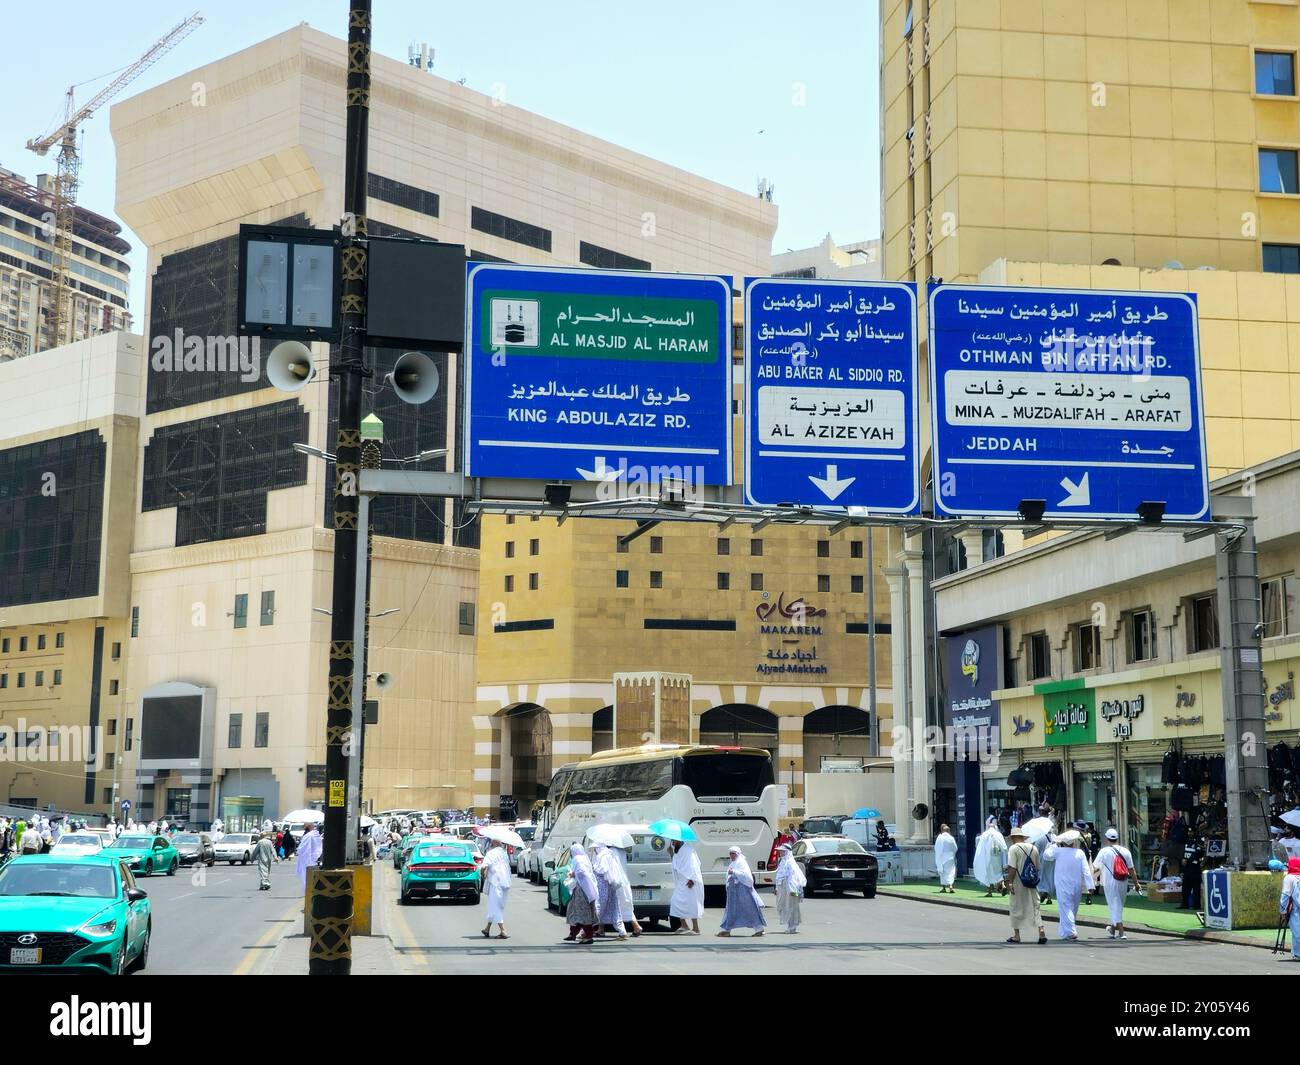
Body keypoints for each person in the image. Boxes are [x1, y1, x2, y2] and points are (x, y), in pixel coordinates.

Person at [1093, 827, 1141, 940]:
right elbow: (1132, 869)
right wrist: (1137, 883)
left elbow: (1095, 868)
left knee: (1114, 905)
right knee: (1118, 905)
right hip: (1123, 881)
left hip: (1110, 882)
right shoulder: (1126, 851)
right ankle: (1112, 929)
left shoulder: (1104, 851)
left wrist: (1089, 879)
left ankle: (1121, 932)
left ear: (1107, 839)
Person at [1044, 833, 1093, 941]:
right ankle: (1065, 932)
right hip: (1076, 884)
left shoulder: (1058, 851)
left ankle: (1071, 932)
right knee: (1072, 909)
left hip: (1063, 885)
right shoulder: (1079, 853)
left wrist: (1053, 844)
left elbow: (1046, 855)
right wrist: (1090, 885)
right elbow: (1086, 870)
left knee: (1066, 908)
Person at [1004, 826, 1046, 945]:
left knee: (1016, 906)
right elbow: (1037, 867)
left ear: (1013, 838)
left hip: (1018, 881)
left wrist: (1010, 881)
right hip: (1031, 881)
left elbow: (1013, 867)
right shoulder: (1034, 848)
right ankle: (1041, 930)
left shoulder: (1013, 848)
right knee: (1035, 905)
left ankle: (1016, 935)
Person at [718, 845, 766, 937]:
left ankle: (759, 929)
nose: (732, 856)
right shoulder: (733, 863)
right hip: (733, 892)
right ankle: (726, 929)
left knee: (749, 908)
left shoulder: (741, 863)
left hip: (743, 890)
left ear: (738, 854)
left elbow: (747, 877)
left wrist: (735, 872)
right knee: (730, 910)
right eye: (730, 854)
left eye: (733, 854)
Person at [563, 843, 600, 944]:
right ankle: (573, 933)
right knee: (574, 911)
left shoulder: (577, 859)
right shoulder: (585, 858)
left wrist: (573, 874)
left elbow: (582, 873)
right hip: (587, 888)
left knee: (582, 913)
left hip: (581, 889)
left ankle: (588, 936)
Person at [606, 842, 643, 938]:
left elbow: (610, 868)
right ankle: (636, 926)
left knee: (610, 905)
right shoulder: (622, 852)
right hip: (624, 881)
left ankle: (633, 927)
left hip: (616, 882)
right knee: (626, 906)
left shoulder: (610, 853)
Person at [669, 838, 705, 935]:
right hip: (681, 881)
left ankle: (696, 928)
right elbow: (677, 865)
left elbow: (695, 865)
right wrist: (671, 854)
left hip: (690, 880)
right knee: (676, 902)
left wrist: (692, 879)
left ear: (679, 841)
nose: (672, 842)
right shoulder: (678, 850)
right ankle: (684, 925)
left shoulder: (688, 849)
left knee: (692, 903)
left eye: (673, 840)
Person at [480, 838, 511, 940]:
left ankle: (503, 930)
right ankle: (487, 928)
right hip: (505, 882)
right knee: (496, 905)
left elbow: (484, 866)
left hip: (495, 882)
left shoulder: (491, 853)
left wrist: (483, 873)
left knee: (495, 905)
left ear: (493, 843)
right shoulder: (504, 853)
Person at [773, 842, 806, 933]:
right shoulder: (782, 862)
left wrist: (792, 889)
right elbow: (779, 876)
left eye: (782, 851)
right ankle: (789, 925)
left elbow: (794, 877)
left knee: (791, 906)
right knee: (783, 906)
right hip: (782, 887)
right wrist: (777, 888)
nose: (780, 853)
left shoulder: (791, 863)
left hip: (789, 888)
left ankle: (792, 927)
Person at [972, 816, 1008, 897]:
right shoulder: (998, 834)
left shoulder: (984, 834)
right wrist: (1005, 858)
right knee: (998, 872)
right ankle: (1003, 885)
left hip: (987, 857)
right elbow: (1004, 847)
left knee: (987, 873)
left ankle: (989, 892)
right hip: (997, 856)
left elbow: (980, 847)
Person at [590, 843, 619, 938]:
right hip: (607, 886)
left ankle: (586, 930)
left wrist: (594, 870)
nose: (594, 850)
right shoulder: (606, 855)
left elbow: (603, 869)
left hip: (603, 886)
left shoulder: (603, 857)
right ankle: (601, 929)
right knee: (608, 907)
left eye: (595, 848)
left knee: (599, 908)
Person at [1280, 856, 1300, 962]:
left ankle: (1298, 953)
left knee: (1297, 932)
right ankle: (1297, 953)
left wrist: (1283, 911)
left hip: (1296, 909)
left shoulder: (1289, 878)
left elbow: (1285, 895)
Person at [295, 822, 323, 889]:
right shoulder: (315, 835)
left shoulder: (309, 836)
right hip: (313, 859)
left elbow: (301, 849)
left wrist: (298, 851)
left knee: (306, 878)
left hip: (307, 859)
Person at [934, 824, 958, 893]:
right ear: (948, 831)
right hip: (950, 857)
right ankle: (950, 886)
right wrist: (952, 854)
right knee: (951, 872)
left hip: (942, 857)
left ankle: (944, 887)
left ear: (942, 830)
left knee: (942, 872)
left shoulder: (940, 838)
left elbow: (937, 848)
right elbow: (955, 848)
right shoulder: (951, 838)